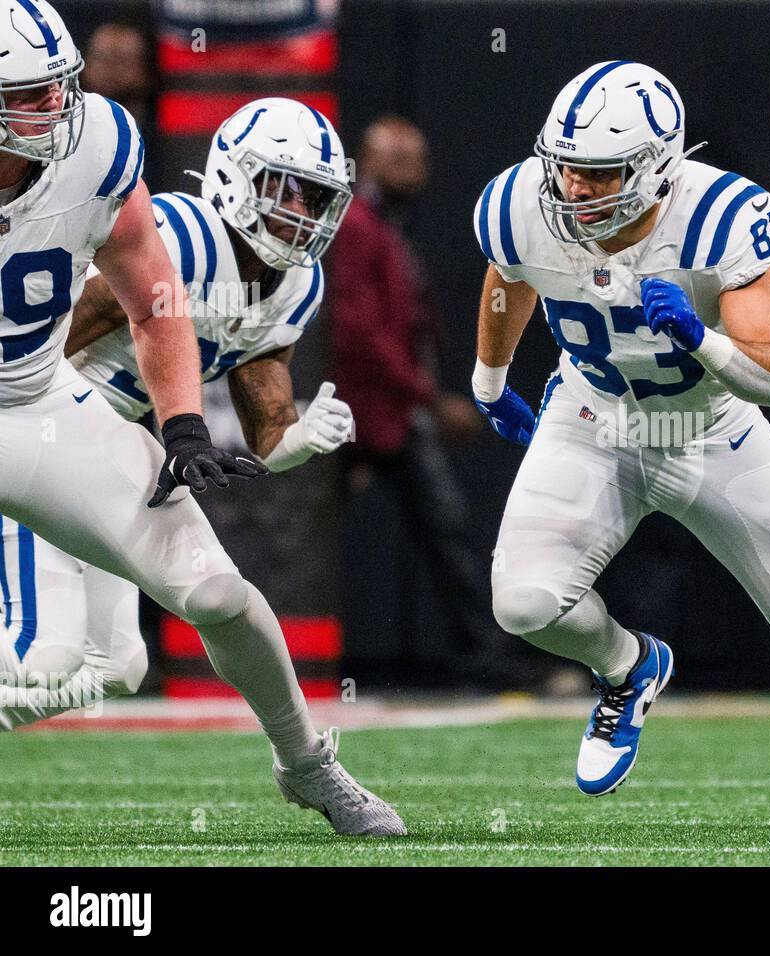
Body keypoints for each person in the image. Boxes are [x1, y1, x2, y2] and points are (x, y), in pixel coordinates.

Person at [471, 61, 770, 837]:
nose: (575, 191)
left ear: (656, 169)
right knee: (522, 602)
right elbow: (510, 273)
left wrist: (703, 339)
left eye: (598, 173)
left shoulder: (716, 214)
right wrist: (489, 380)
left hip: (708, 428)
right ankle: (628, 667)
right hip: (592, 418)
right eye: (567, 169)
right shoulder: (523, 201)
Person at [0, 8, 402, 837]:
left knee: (215, 593)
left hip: (38, 400)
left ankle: (308, 765)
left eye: (57, 86)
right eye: (28, 95)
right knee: (40, 656)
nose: (55, 108)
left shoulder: (97, 144)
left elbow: (153, 296)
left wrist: (183, 427)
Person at [2, 95, 355, 730]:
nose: (301, 212)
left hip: (109, 452)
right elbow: (46, 346)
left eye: (315, 196)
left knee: (118, 668)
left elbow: (265, 429)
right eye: (288, 189)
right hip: (47, 435)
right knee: (48, 652)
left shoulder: (298, 285)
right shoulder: (181, 235)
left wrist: (301, 438)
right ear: (235, 176)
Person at [329, 116, 518, 688]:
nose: (413, 171)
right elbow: (359, 332)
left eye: (418, 158)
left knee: (441, 531)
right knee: (442, 529)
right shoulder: (359, 225)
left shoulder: (386, 224)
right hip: (367, 411)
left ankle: (486, 656)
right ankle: (487, 656)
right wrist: (428, 398)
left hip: (386, 408)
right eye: (399, 158)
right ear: (368, 159)